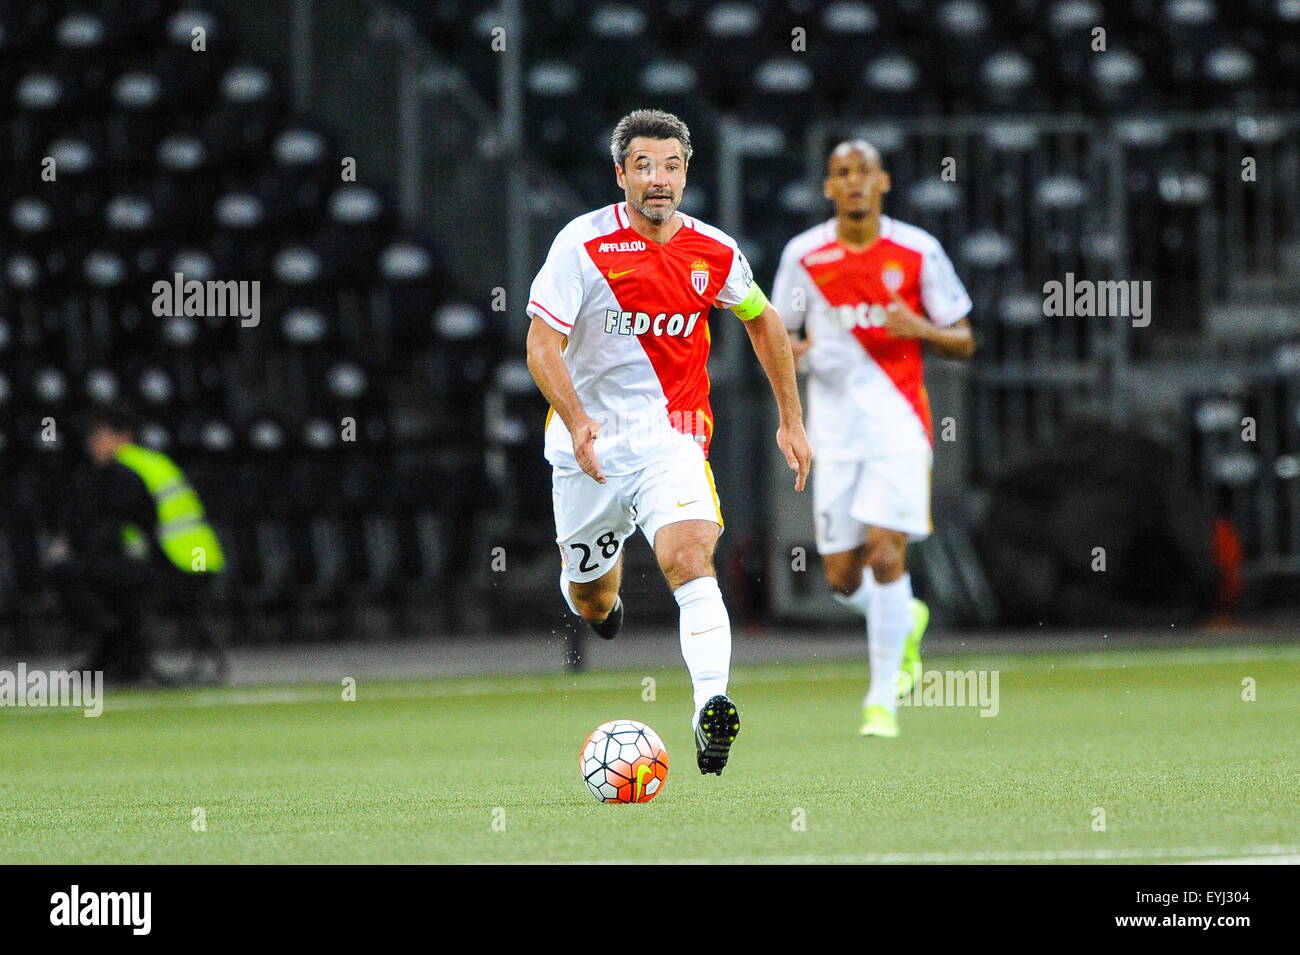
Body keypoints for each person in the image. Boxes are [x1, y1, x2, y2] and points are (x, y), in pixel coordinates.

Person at [525, 109, 812, 775]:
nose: (659, 179)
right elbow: (542, 343)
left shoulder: (713, 250)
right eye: (645, 166)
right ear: (620, 173)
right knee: (592, 595)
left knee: (690, 558)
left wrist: (790, 419)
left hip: (670, 439)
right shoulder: (581, 245)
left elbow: (764, 321)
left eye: (672, 166)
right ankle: (599, 600)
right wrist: (574, 417)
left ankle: (710, 705)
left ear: (686, 174)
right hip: (586, 446)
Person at [772, 140, 975, 738]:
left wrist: (919, 328)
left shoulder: (917, 250)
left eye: (864, 172)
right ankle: (904, 616)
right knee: (841, 579)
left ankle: (881, 700)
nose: (854, 182)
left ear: (883, 182)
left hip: (899, 427)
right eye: (842, 173)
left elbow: (963, 338)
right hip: (833, 434)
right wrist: (798, 353)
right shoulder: (803, 255)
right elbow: (777, 334)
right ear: (829, 187)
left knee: (888, 556)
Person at [47, 403, 225, 683]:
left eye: (98, 435)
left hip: (177, 568)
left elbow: (108, 526)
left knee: (69, 571)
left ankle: (117, 647)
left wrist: (70, 548)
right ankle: (116, 654)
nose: (92, 443)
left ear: (123, 436)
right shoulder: (151, 462)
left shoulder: (126, 470)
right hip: (191, 564)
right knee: (107, 574)